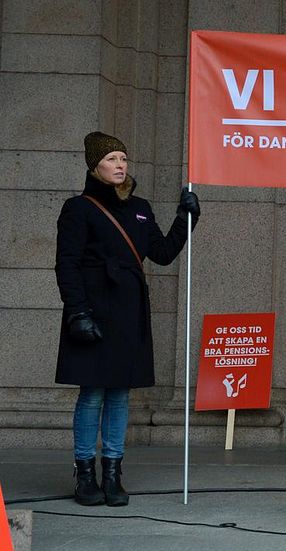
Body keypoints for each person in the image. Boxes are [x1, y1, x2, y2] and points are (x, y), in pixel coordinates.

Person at [55, 131, 201, 506]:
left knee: (120, 395)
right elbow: (67, 265)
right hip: (92, 311)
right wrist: (77, 313)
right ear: (94, 166)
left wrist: (187, 217)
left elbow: (164, 253)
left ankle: (113, 473)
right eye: (112, 159)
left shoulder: (140, 207)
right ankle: (84, 473)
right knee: (92, 395)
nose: (120, 165)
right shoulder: (79, 208)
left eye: (123, 158)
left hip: (128, 313)